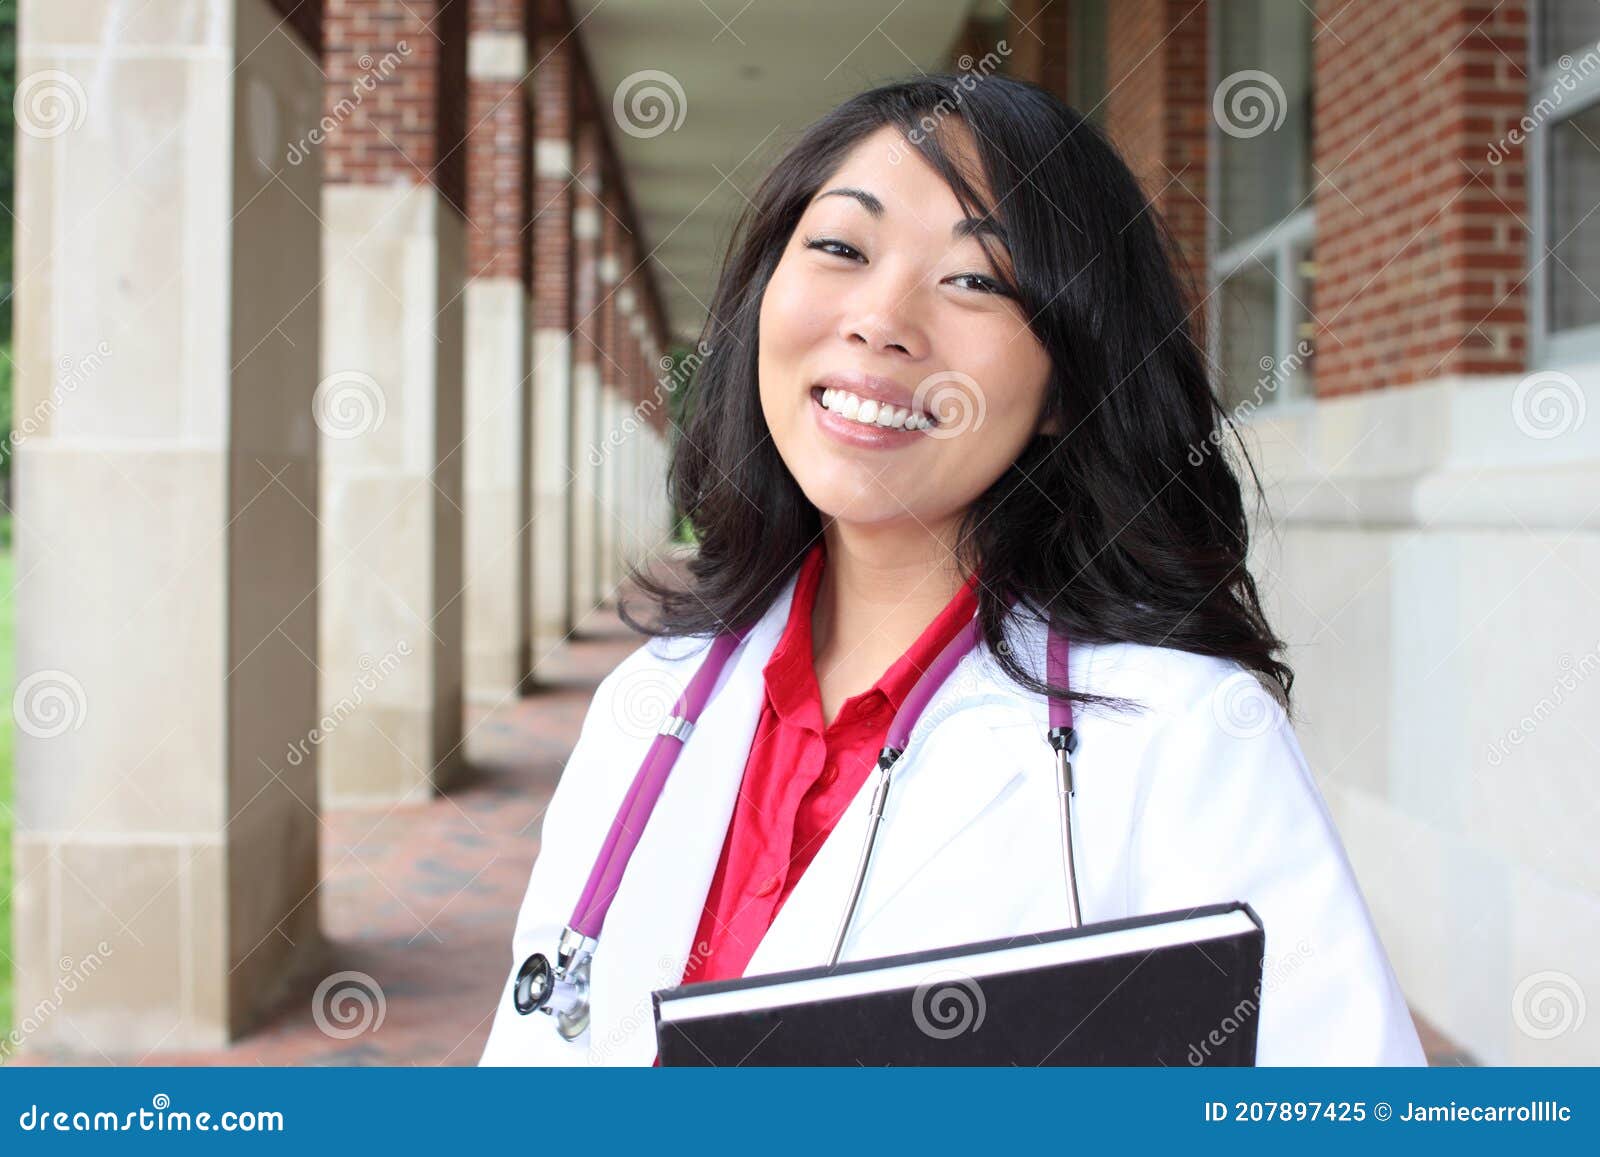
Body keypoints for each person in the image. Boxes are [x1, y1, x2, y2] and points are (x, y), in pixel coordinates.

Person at [479, 73, 1426, 1067]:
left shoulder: (1183, 736)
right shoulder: (653, 699)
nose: (882, 319)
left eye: (978, 278)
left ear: (1068, 377)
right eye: (841, 248)